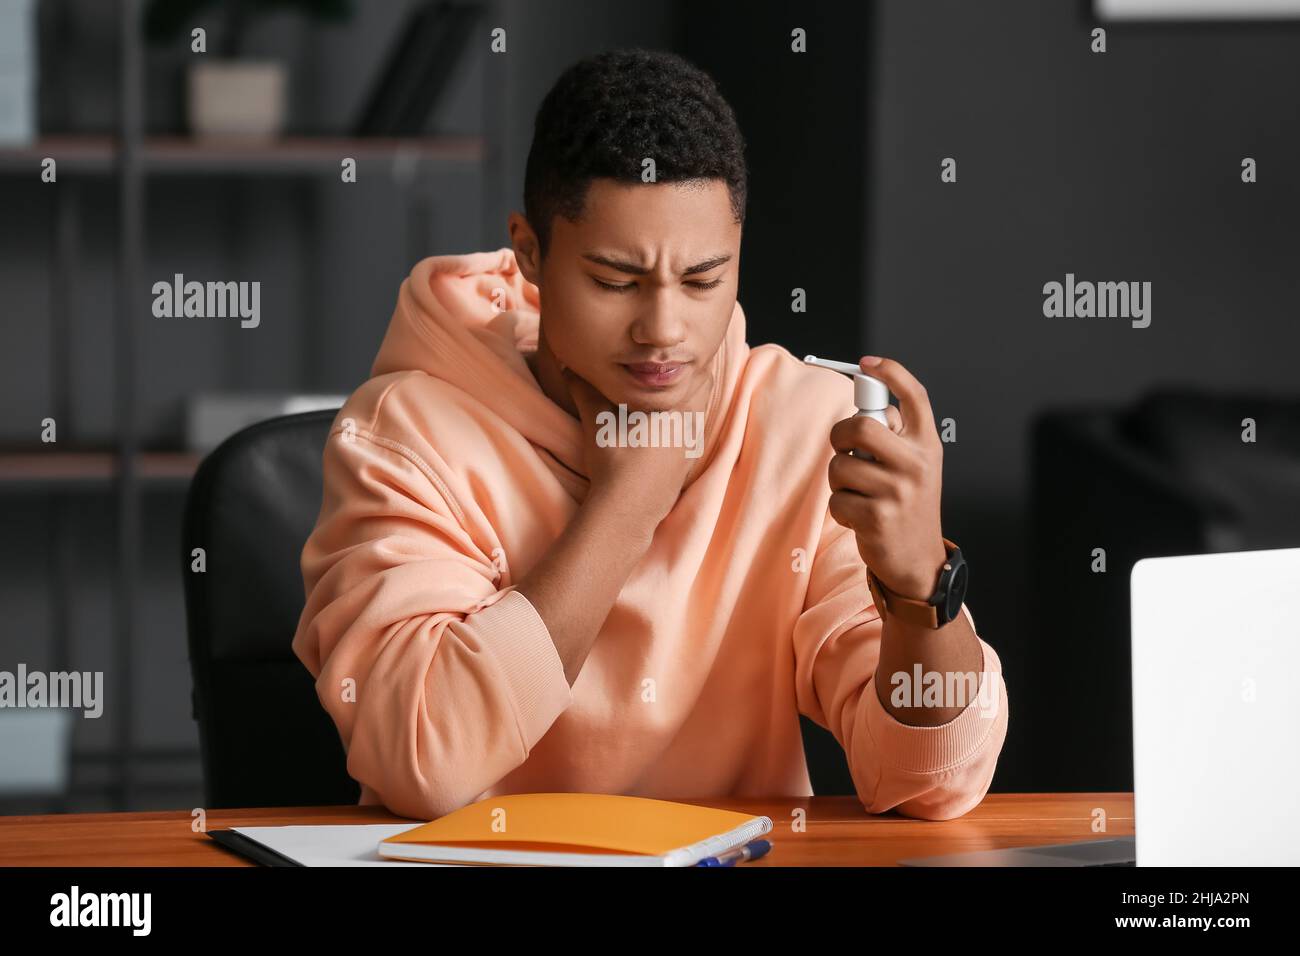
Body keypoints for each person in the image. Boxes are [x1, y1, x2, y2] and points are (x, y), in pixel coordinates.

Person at [291, 48, 1007, 822]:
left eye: (703, 280)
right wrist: (628, 503)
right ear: (529, 252)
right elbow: (423, 759)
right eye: (615, 281)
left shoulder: (804, 426)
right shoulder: (404, 434)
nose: (663, 330)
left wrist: (920, 590)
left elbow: (930, 782)